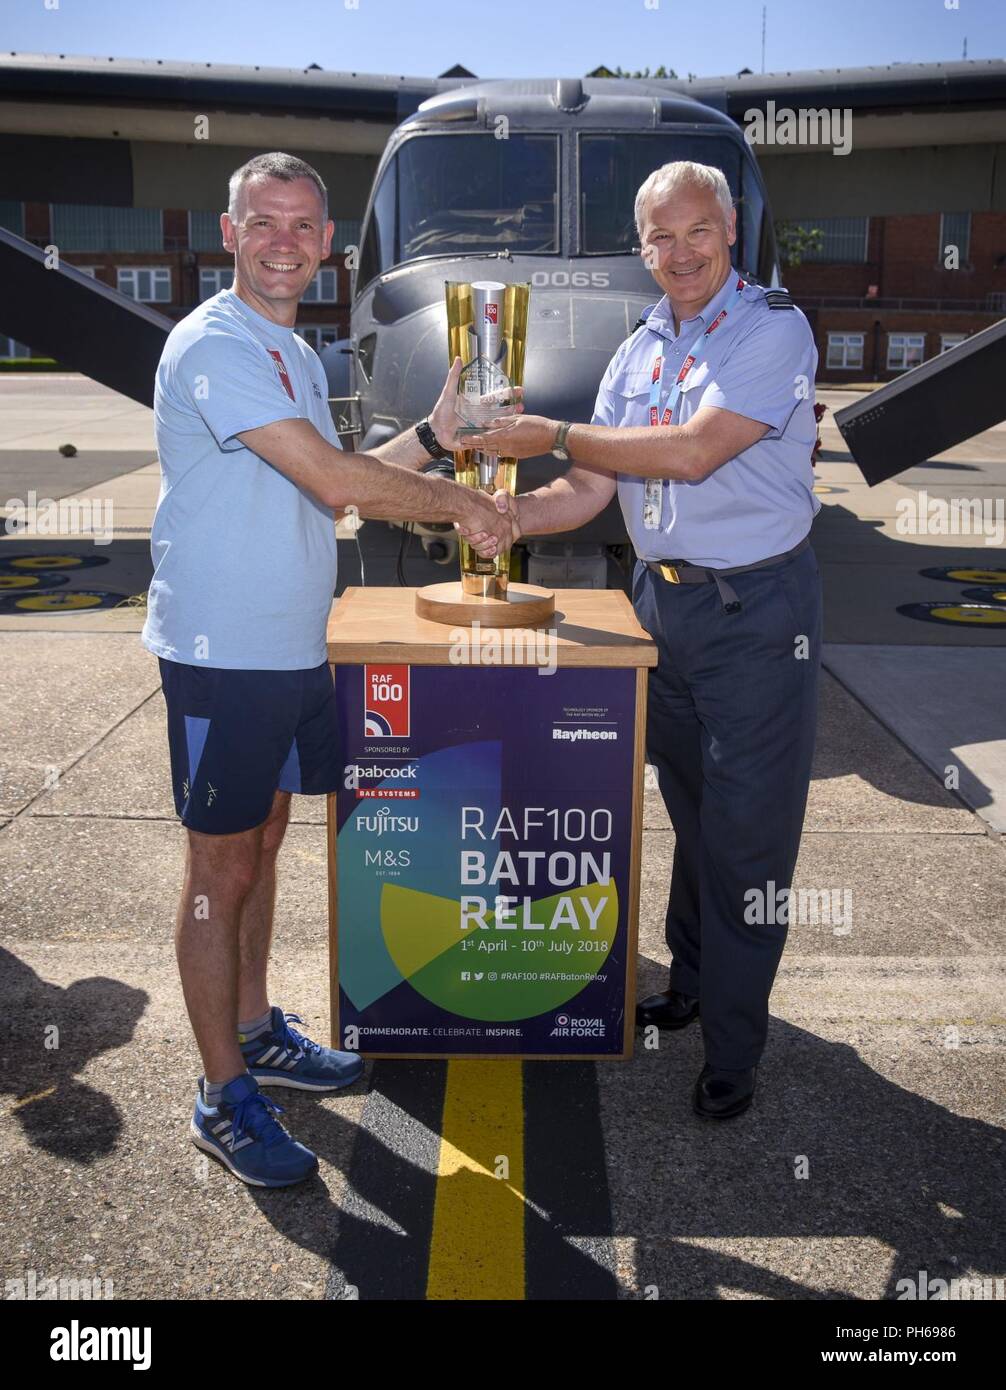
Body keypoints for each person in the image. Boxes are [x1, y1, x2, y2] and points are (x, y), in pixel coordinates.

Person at [142, 152, 515, 1185]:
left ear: (326, 245)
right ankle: (222, 1094)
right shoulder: (215, 342)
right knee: (219, 869)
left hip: (297, 644)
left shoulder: (297, 357)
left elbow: (341, 491)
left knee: (263, 838)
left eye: (304, 226)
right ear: (229, 234)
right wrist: (465, 505)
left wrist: (438, 442)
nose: (284, 241)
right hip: (224, 656)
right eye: (265, 221)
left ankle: (257, 1029)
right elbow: (328, 473)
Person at [462, 160, 822, 1120]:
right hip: (659, 611)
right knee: (693, 816)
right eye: (660, 238)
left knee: (750, 843)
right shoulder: (641, 348)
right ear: (643, 248)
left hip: (756, 616)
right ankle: (695, 985)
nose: (679, 253)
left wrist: (553, 433)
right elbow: (592, 492)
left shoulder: (772, 327)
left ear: (732, 229)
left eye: (696, 231)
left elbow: (695, 450)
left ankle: (735, 1051)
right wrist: (494, 515)